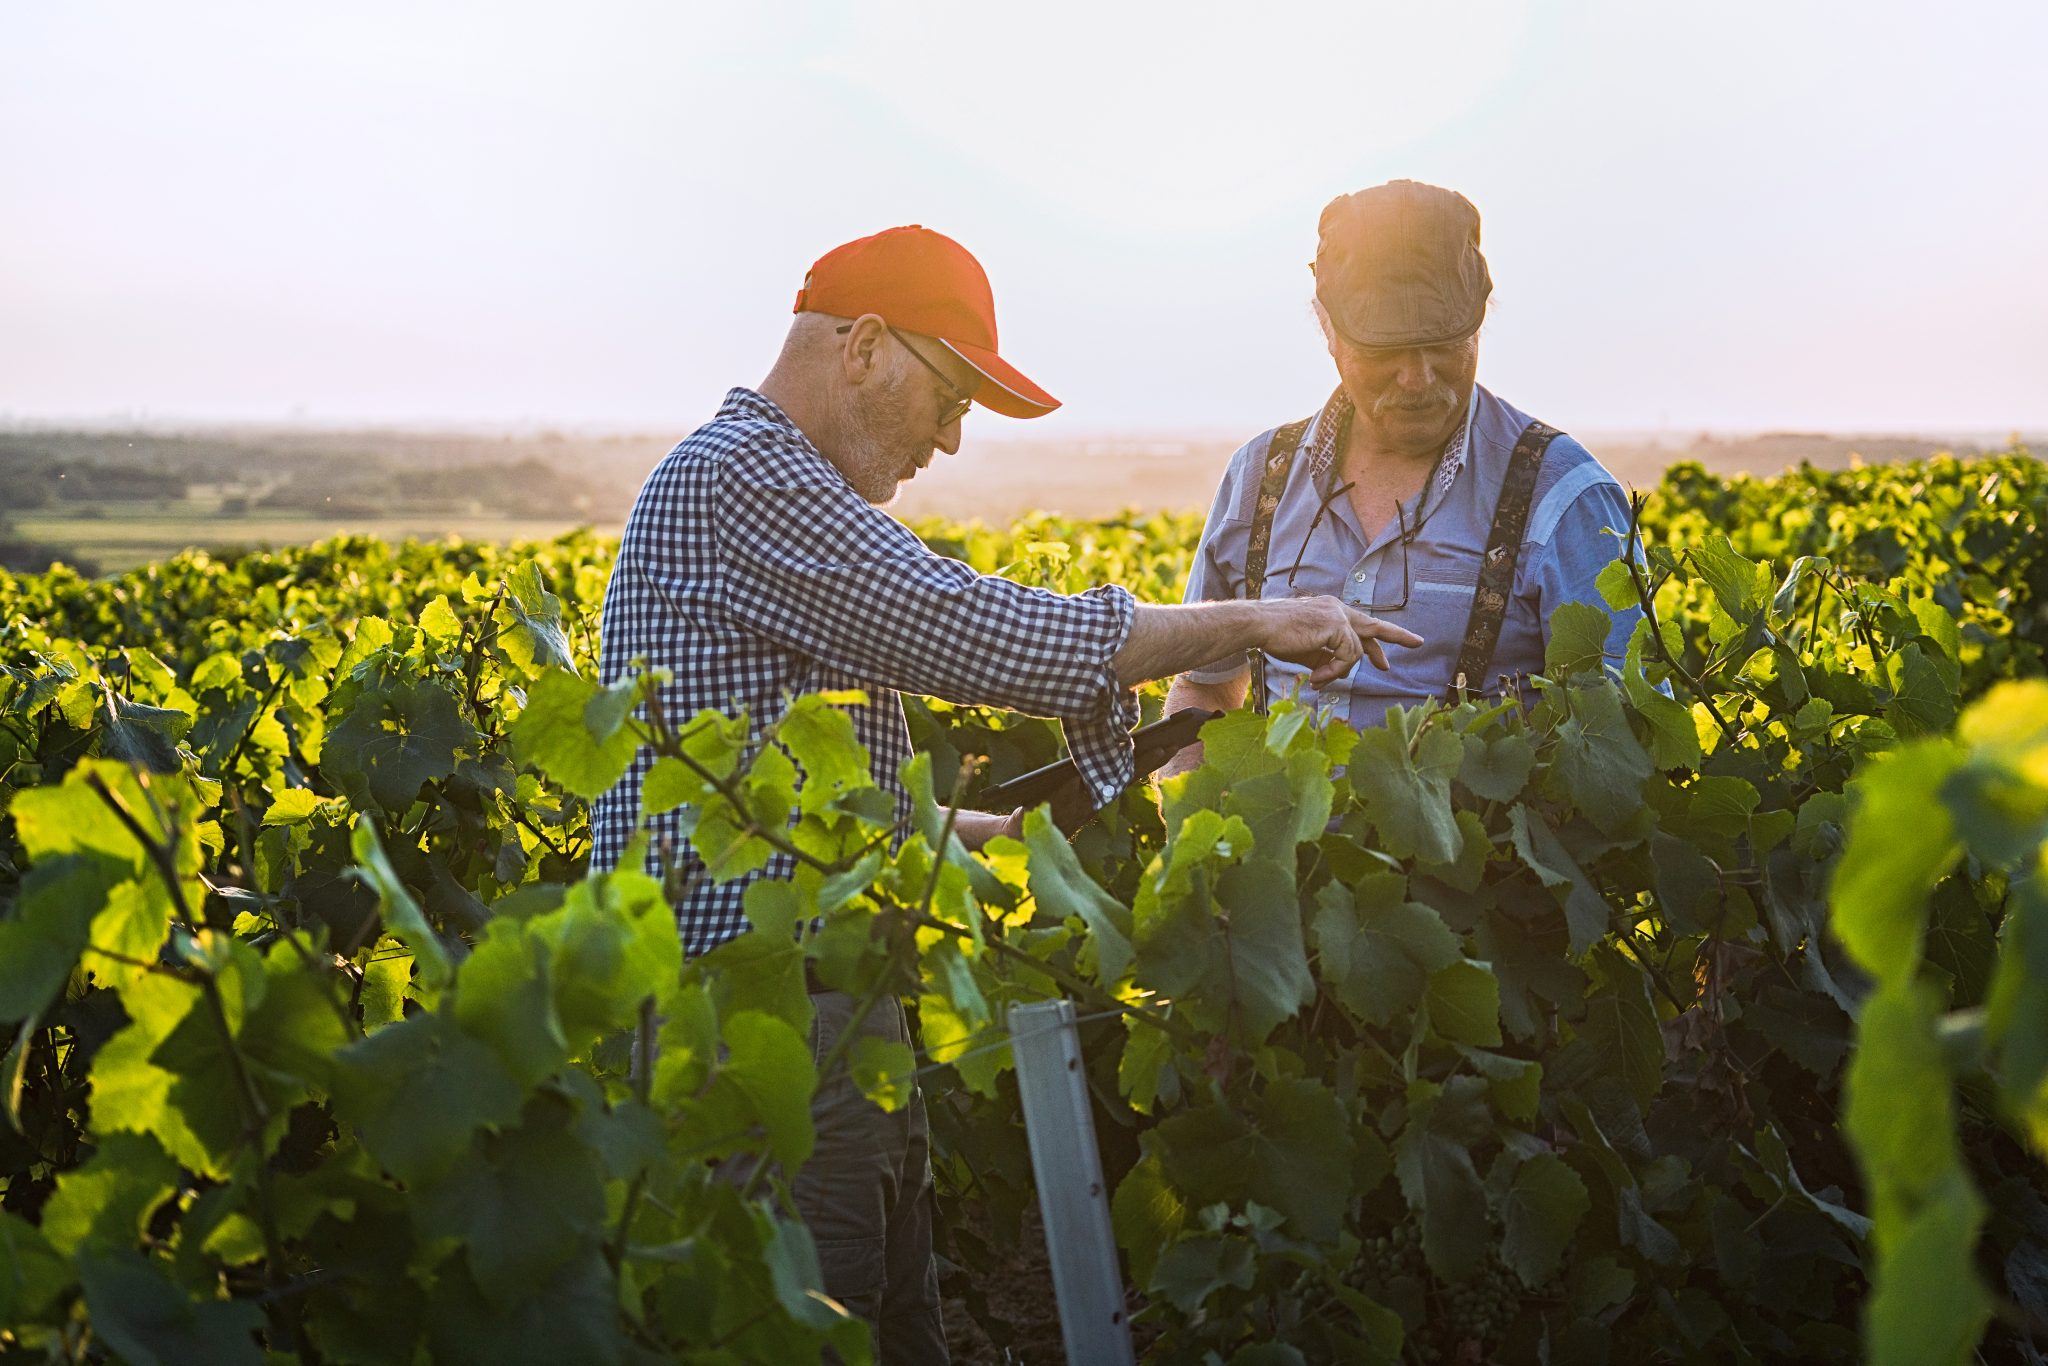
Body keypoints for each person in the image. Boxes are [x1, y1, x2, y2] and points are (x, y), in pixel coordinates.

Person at [589, 224, 1421, 1364]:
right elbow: (976, 632)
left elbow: (787, 801)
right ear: (866, 347)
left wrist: (990, 834)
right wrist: (1255, 618)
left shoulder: (768, 493)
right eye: (950, 394)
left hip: (827, 1026)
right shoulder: (741, 476)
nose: (951, 436)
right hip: (757, 1041)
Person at [1162, 180, 1638, 773]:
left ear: (1480, 319)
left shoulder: (1564, 497)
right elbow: (1206, 691)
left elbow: (1622, 739)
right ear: (1326, 328)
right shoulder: (1258, 477)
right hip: (1280, 862)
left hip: (1479, 863)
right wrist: (1190, 814)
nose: (1417, 378)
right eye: (1384, 350)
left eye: (1443, 345)